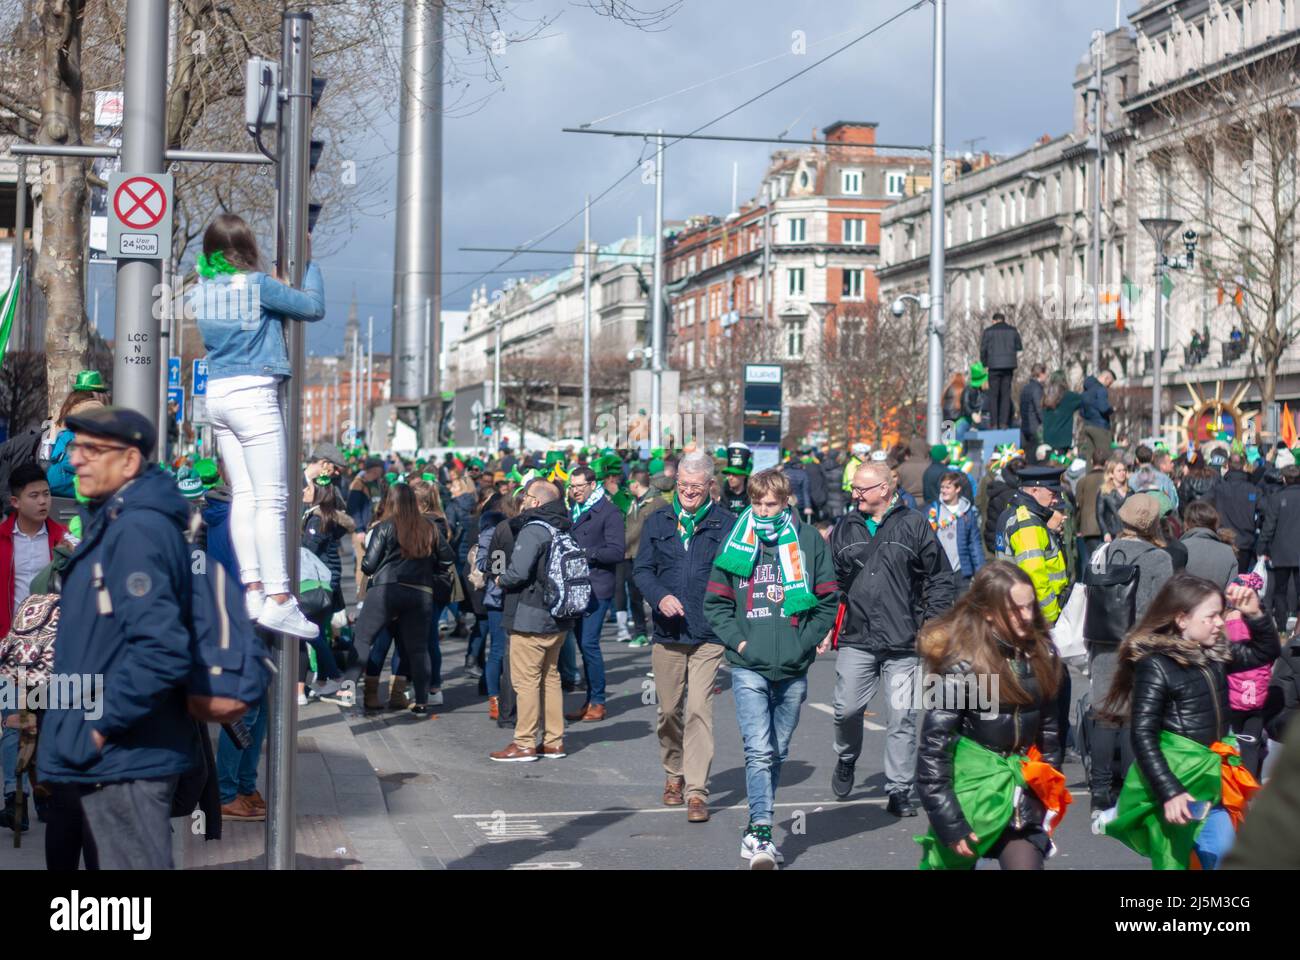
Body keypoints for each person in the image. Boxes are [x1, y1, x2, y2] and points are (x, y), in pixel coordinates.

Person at [37, 407, 198, 869]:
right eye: (74, 448)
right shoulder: (116, 521)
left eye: (91, 449)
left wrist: (99, 725)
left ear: (129, 462)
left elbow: (161, 651)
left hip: (128, 759)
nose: (76, 461)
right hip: (115, 758)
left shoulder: (136, 531)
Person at [190, 212, 325, 639]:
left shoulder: (204, 290)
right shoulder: (257, 285)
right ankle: (280, 598)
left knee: (244, 497)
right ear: (246, 247)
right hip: (254, 394)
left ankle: (252, 587)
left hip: (219, 395)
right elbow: (312, 308)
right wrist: (308, 263)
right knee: (273, 500)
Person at [703, 469, 839, 868]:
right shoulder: (736, 542)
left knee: (776, 751)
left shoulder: (809, 540)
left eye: (771, 504)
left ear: (786, 502)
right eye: (758, 503)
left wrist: (805, 641)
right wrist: (740, 641)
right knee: (759, 749)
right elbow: (716, 603)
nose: (763, 510)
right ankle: (762, 832)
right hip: (748, 664)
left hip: (793, 664)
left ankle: (753, 827)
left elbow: (828, 599)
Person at [1098, 576, 1279, 869]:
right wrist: (1169, 791)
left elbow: (1265, 652)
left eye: (1221, 614)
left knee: (1222, 855)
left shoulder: (1215, 654)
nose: (1220, 623)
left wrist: (1256, 614)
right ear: (1182, 619)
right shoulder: (1156, 664)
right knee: (1175, 862)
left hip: (1209, 778)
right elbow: (1144, 735)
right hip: (1176, 779)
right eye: (1211, 616)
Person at [916, 561, 1067, 869]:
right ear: (987, 612)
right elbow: (933, 752)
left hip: (1019, 800)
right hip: (968, 796)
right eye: (1015, 610)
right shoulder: (959, 663)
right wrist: (949, 821)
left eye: (1030, 607)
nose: (1028, 617)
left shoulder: (1044, 656)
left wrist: (1040, 798)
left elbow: (1050, 736)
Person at [829, 460, 955, 814]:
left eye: (861, 489)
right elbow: (831, 581)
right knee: (845, 710)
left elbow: (941, 577)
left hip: (904, 641)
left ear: (884, 489)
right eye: (853, 488)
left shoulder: (914, 525)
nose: (854, 494)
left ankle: (898, 789)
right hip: (857, 637)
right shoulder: (846, 526)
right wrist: (827, 619)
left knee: (903, 717)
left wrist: (932, 623)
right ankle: (847, 757)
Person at [633, 451, 736, 821]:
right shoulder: (657, 518)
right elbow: (642, 570)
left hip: (708, 632)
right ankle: (673, 773)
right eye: (682, 485)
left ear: (710, 485)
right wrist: (660, 596)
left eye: (696, 486)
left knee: (698, 711)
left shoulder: (727, 523)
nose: (688, 492)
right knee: (668, 712)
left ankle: (696, 791)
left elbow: (736, 576)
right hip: (668, 632)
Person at [0, 463, 72, 828]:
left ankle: (43, 792)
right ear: (15, 501)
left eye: (46, 493)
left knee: (44, 723)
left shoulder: (61, 540)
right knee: (16, 723)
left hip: (52, 648)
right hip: (11, 648)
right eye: (35, 495)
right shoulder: (1, 540)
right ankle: (15, 799)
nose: (44, 501)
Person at [490, 479, 578, 761]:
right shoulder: (563, 525)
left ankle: (524, 741)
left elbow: (517, 572)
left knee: (526, 680)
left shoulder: (533, 529)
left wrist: (500, 578)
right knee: (550, 678)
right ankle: (554, 740)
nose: (522, 501)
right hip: (559, 614)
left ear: (536, 502)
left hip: (530, 614)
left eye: (526, 496)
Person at [355, 484, 454, 715]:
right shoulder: (429, 527)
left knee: (373, 642)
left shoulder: (383, 526)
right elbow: (447, 558)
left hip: (386, 591)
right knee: (416, 649)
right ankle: (419, 701)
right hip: (419, 593)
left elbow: (368, 565)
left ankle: (364, 693)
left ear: (390, 501)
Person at [560, 465, 624, 723]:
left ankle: (598, 701)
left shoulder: (608, 511)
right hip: (575, 586)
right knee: (581, 645)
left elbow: (617, 551)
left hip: (597, 587)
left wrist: (588, 554)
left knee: (589, 643)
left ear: (592, 485)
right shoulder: (573, 509)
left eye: (578, 487)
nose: (574, 491)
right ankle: (589, 700)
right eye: (571, 486)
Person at [995, 464, 1070, 625]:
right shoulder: (1027, 524)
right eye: (1052, 493)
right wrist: (1051, 618)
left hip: (1018, 608)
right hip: (1037, 615)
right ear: (1035, 491)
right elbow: (1035, 577)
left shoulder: (1013, 511)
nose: (1056, 499)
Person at [42, 371, 109, 498]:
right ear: (96, 393)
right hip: (77, 479)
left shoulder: (63, 410)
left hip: (54, 477)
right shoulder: (95, 407)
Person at [621, 468, 666, 648]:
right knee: (634, 597)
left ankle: (660, 633)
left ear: (635, 484)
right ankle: (640, 633)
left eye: (629, 483)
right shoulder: (633, 502)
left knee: (654, 597)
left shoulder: (658, 503)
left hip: (650, 557)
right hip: (631, 556)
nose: (628, 487)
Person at [1256, 464, 1300, 631]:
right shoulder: (1277, 497)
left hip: (1281, 550)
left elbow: (1269, 526)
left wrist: (1261, 546)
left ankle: (1281, 626)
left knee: (1280, 590)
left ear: (1284, 479)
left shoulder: (1276, 498)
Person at [928, 470, 984, 594]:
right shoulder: (935, 510)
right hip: (940, 571)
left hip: (962, 570)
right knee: (943, 611)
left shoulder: (967, 512)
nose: (943, 491)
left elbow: (974, 543)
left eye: (948, 487)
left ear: (957, 489)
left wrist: (980, 571)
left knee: (962, 610)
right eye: (942, 487)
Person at [1211, 454, 1260, 574]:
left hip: (1225, 539)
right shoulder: (1252, 489)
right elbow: (1265, 510)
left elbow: (1201, 505)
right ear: (1243, 466)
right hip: (1244, 540)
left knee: (1225, 579)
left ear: (1227, 466)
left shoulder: (1219, 488)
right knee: (1240, 580)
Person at [1180, 500, 1238, 590]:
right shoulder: (1228, 552)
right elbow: (1230, 593)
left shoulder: (1179, 549)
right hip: (1216, 603)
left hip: (1183, 603)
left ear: (1186, 524)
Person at [980, 311, 1023, 430]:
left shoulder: (988, 332)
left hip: (993, 366)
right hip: (1009, 366)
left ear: (994, 321)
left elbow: (983, 350)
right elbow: (1019, 347)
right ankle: (1004, 423)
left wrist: (984, 364)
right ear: (1003, 320)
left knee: (993, 395)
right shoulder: (1013, 330)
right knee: (1005, 394)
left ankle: (994, 423)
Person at [1075, 450, 1108, 570]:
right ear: (1106, 463)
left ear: (1092, 461)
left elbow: (1078, 505)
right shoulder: (1110, 480)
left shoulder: (1083, 481)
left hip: (1088, 526)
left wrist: (1077, 526)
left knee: (1090, 563)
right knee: (1106, 564)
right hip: (1108, 527)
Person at [1040, 372, 1084, 459]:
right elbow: (1084, 399)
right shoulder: (1068, 397)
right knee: (1059, 465)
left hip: (1047, 438)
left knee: (1049, 464)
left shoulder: (1046, 396)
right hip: (1062, 440)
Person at [1079, 368, 1115, 464]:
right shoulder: (1101, 389)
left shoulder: (1085, 391)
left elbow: (1081, 412)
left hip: (1087, 426)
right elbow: (1103, 408)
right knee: (1105, 456)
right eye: (1110, 383)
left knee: (1090, 458)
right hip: (1100, 427)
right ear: (1107, 378)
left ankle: (1090, 477)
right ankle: (1103, 478)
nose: (1109, 386)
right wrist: (1111, 409)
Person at [1096, 459, 1131, 543]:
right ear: (1111, 474)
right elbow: (1099, 515)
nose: (1122, 473)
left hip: (1130, 533)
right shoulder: (1104, 492)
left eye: (1124, 470)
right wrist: (1105, 532)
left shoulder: (1130, 491)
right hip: (1113, 534)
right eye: (1119, 471)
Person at [1018, 363, 1048, 461]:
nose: (1047, 376)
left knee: (1028, 456)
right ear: (1041, 374)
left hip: (1025, 426)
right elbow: (1039, 409)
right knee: (1036, 456)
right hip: (1035, 428)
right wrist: (1046, 423)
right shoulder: (1037, 389)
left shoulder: (1025, 388)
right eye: (1045, 373)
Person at [958, 363, 990, 442]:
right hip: (969, 418)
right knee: (960, 430)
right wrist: (973, 414)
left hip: (983, 419)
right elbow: (965, 405)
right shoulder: (968, 390)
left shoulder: (987, 391)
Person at [720, 443, 753, 515]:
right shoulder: (723, 493)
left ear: (744, 475)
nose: (730, 477)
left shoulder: (752, 494)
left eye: (735, 474)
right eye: (728, 474)